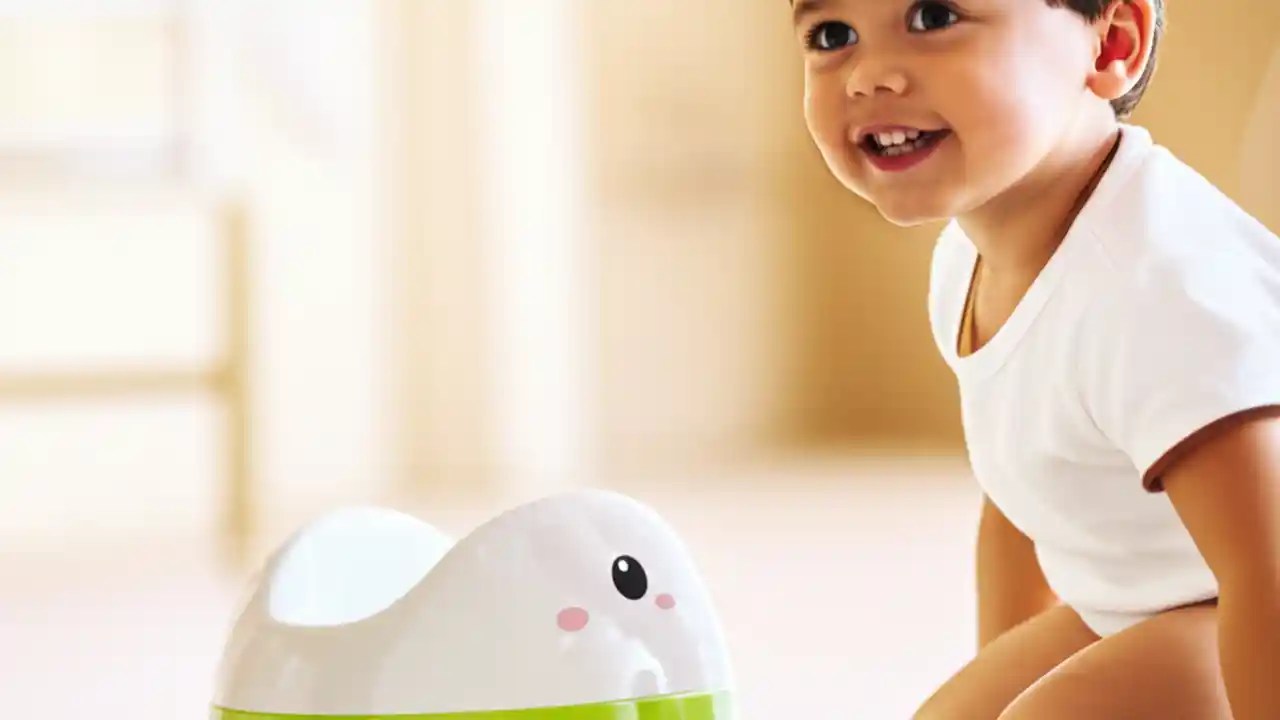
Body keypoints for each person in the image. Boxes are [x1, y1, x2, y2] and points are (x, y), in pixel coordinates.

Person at [789, 0, 1280, 717]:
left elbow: (1267, 568)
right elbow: (1029, 490)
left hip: (1246, 599)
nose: (869, 76)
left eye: (933, 17)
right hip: (1155, 596)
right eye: (832, 36)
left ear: (1111, 42)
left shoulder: (1155, 288)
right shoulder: (970, 261)